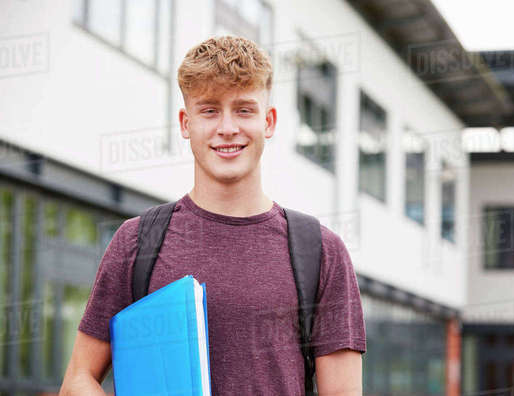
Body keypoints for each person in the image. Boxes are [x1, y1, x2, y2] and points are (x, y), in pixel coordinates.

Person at [59, 35, 366, 395]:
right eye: (209, 110)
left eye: (244, 110)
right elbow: (78, 379)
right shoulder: (137, 241)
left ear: (268, 121)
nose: (227, 128)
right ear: (186, 124)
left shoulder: (319, 252)